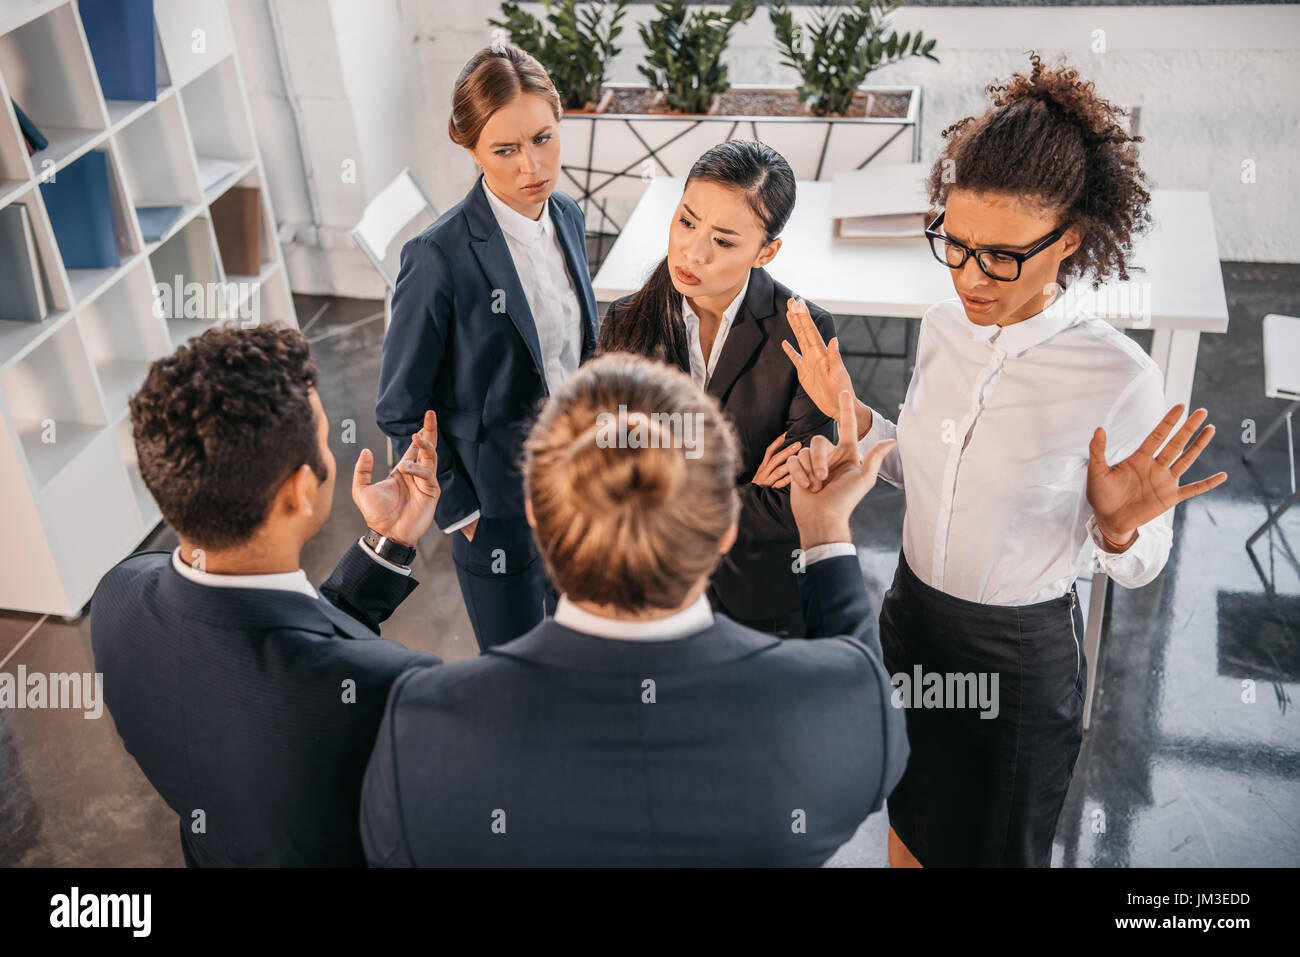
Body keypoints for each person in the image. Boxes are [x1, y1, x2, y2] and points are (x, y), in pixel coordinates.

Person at [781, 53, 1227, 867]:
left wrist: (1121, 528)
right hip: (911, 624)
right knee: (909, 835)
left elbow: (1144, 561)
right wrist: (853, 418)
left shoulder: (1116, 375)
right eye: (953, 245)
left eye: (1000, 256)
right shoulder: (943, 325)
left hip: (1013, 661)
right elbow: (923, 471)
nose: (969, 278)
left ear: (1071, 241)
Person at [359, 353, 907, 866]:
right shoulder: (835, 708)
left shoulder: (423, 724)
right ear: (726, 526)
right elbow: (856, 683)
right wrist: (825, 531)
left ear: (535, 515)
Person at [91, 324, 443, 866]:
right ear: (302, 490)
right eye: (327, 442)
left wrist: (387, 542)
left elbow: (270, 640)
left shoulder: (118, 595)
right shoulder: (388, 691)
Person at [376, 43, 599, 652]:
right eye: (505, 149)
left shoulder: (569, 216)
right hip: (495, 507)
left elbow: (576, 351)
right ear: (470, 148)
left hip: (577, 481)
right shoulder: (438, 258)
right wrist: (462, 511)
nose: (533, 165)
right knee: (515, 664)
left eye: (544, 138)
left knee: (579, 635)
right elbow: (400, 405)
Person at [598, 140, 837, 637]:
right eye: (687, 221)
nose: (693, 251)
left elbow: (801, 498)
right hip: (649, 594)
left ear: (766, 251)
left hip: (758, 599)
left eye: (725, 241)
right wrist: (745, 491)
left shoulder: (804, 333)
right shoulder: (624, 324)